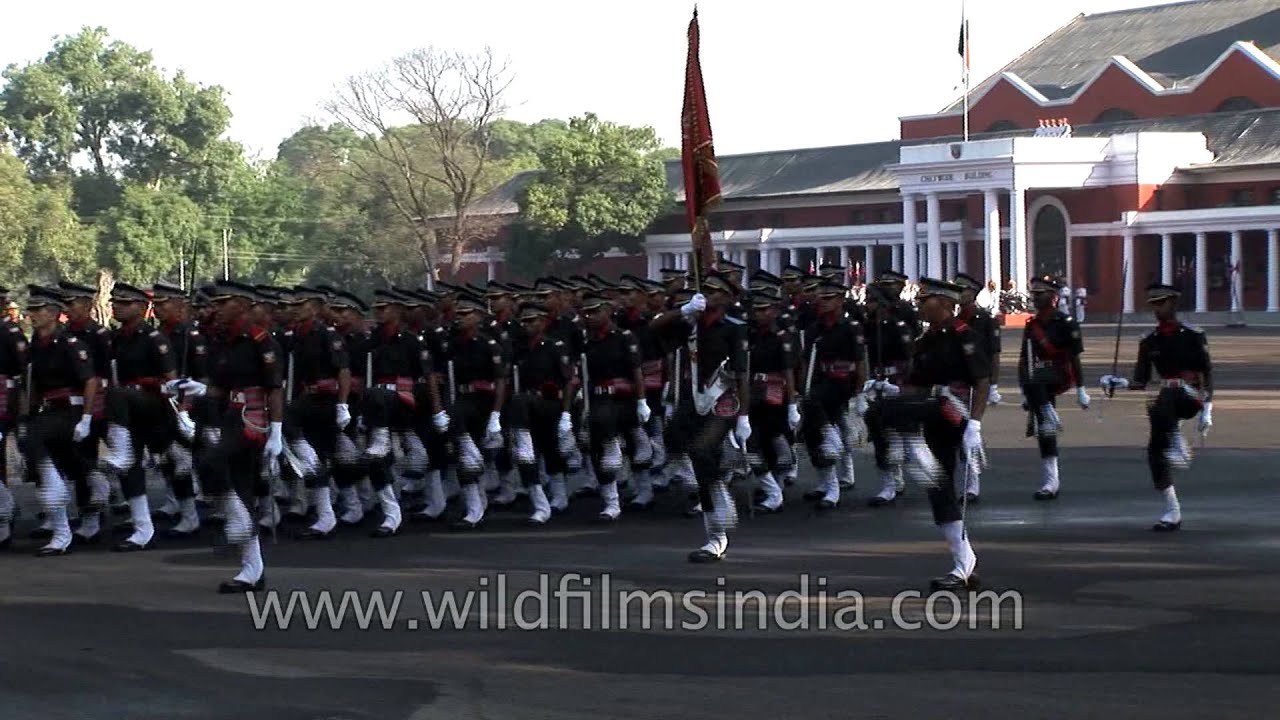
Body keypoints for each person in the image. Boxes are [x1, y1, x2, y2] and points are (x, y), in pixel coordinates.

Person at [877, 278, 989, 590]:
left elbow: (981, 381)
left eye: (925, 300)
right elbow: (918, 384)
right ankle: (964, 563)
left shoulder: (965, 337)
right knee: (936, 485)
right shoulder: (925, 340)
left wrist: (976, 425)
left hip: (955, 411)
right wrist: (891, 389)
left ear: (943, 303)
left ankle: (911, 447)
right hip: (931, 409)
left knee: (898, 412)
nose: (919, 305)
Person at [651, 271, 750, 563]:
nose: (706, 294)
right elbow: (654, 328)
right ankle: (713, 531)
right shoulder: (691, 324)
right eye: (704, 289)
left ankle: (718, 526)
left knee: (701, 451)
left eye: (713, 291)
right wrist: (683, 310)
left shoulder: (734, 328)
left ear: (727, 299)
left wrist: (744, 416)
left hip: (723, 402)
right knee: (683, 449)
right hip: (692, 400)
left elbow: (742, 374)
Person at [1101, 283, 1212, 531]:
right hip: (1165, 403)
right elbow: (1140, 380)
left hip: (1190, 396)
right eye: (1153, 304)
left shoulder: (1193, 335)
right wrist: (1117, 382)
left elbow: (1207, 372)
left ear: (1173, 303)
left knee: (1167, 396)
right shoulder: (1150, 341)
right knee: (1154, 451)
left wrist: (1208, 409)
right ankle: (1172, 510)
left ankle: (1175, 438)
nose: (1156, 309)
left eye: (1161, 303)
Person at [20, 285, 99, 556]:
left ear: (53, 313)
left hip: (70, 411)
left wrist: (86, 419)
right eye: (30, 310)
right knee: (56, 457)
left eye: (37, 310)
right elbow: (31, 386)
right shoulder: (36, 345)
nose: (31, 315)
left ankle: (62, 524)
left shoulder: (70, 343)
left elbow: (90, 381)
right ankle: (63, 521)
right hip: (47, 411)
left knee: (36, 444)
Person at [1018, 277, 1088, 501]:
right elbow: (1024, 358)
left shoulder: (1066, 322)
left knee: (1039, 398)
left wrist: (1081, 388)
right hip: (1037, 381)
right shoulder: (1031, 324)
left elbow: (1075, 357)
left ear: (1053, 296)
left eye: (1040, 294)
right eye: (1034, 294)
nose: (1035, 298)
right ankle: (1051, 480)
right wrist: (1024, 389)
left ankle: (1046, 408)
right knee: (1045, 430)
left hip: (1058, 375)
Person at [952, 273, 1003, 503]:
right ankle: (964, 478)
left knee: (969, 433)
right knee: (955, 434)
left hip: (977, 383)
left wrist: (993, 384)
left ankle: (972, 483)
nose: (958, 294)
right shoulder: (954, 320)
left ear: (972, 293)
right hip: (957, 382)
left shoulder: (985, 320)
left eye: (962, 290)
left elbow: (994, 355)